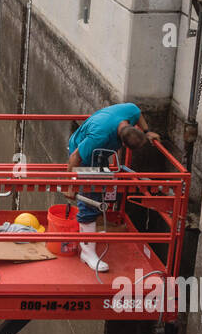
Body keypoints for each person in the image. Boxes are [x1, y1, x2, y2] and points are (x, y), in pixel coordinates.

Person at [66, 103, 160, 271]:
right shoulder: (99, 137)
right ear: (122, 143)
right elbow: (74, 158)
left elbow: (138, 112)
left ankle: (90, 233)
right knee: (90, 199)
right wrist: (70, 186)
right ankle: (87, 253)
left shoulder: (129, 112)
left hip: (100, 153)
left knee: (101, 192)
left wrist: (147, 132)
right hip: (83, 155)